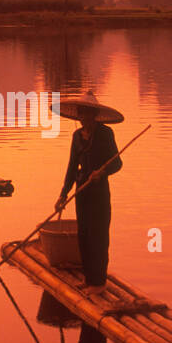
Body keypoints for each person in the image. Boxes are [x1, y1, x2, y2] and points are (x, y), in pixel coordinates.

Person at [55, 90, 124, 288]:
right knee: (84, 235)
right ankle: (88, 279)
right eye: (81, 114)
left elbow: (117, 163)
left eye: (87, 114)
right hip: (82, 191)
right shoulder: (77, 136)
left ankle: (99, 282)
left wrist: (101, 173)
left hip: (99, 191)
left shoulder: (105, 134)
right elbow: (71, 167)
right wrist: (62, 194)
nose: (84, 118)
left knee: (99, 235)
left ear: (94, 115)